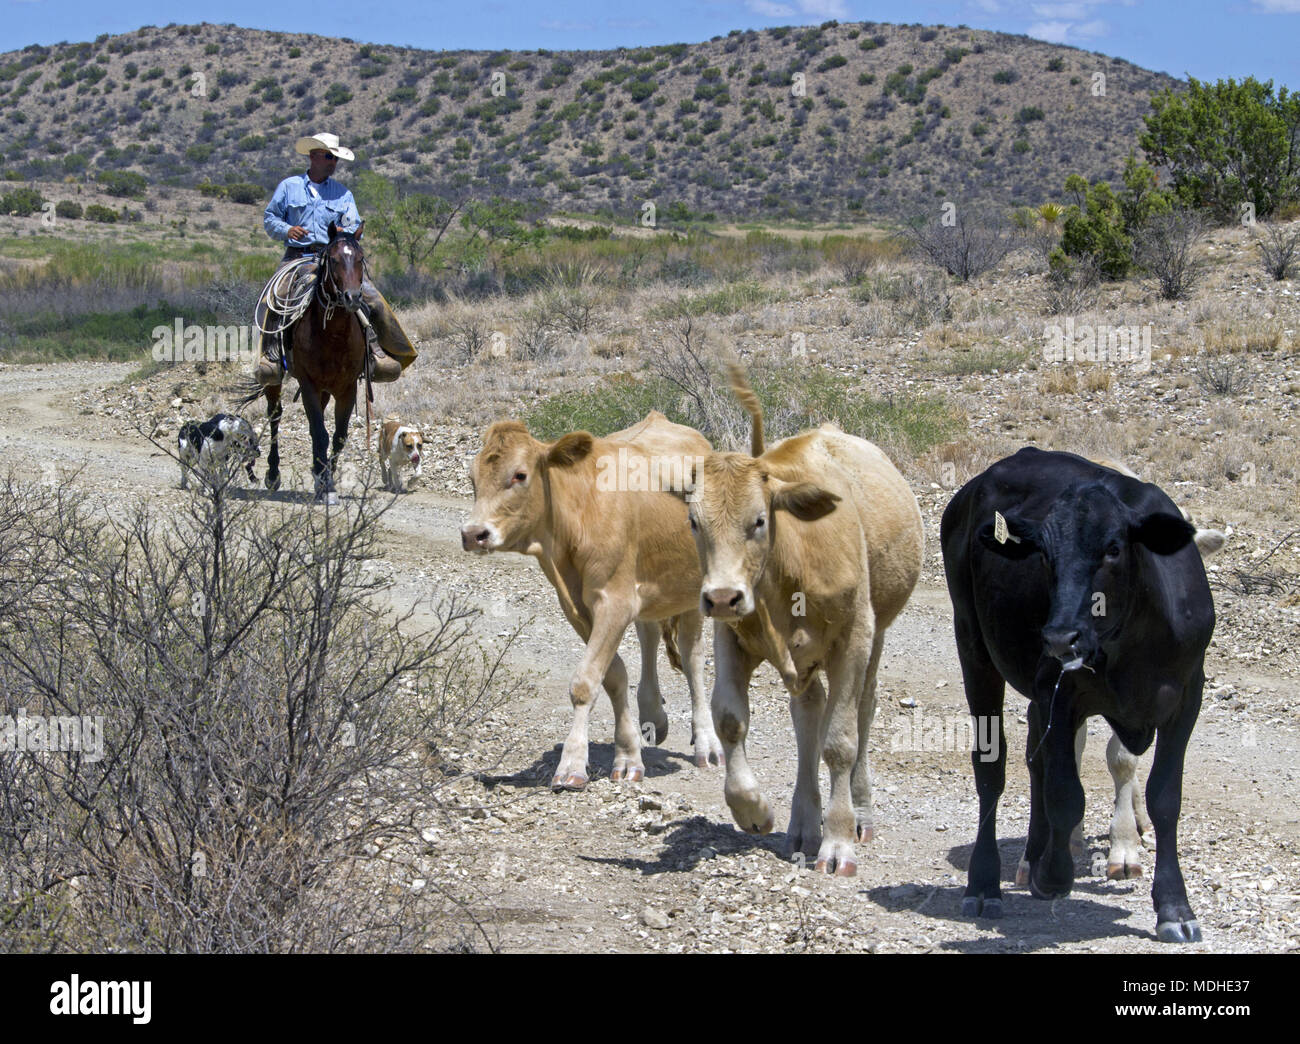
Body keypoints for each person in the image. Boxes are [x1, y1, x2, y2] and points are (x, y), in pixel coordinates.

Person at [254, 132, 417, 386]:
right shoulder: (289, 187)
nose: (333, 163)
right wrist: (287, 230)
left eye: (335, 159)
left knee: (369, 295)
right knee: (274, 298)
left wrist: (345, 235)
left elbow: (352, 225)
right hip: (297, 257)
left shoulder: (343, 194)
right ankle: (271, 358)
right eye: (330, 157)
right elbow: (269, 218)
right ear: (314, 156)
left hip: (334, 260)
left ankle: (378, 351)